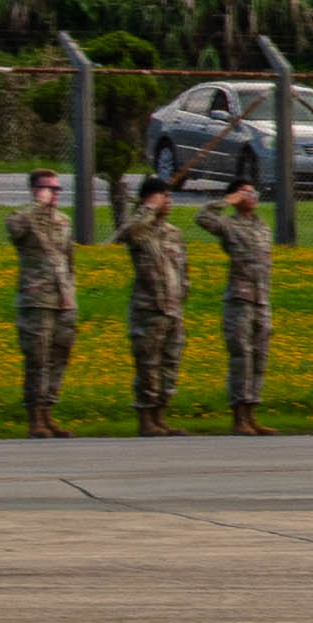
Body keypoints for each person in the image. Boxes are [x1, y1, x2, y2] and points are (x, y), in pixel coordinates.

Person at [4, 174, 77, 436]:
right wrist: (39, 206)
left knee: (59, 358)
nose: (56, 193)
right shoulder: (21, 218)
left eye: (58, 188)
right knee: (37, 359)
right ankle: (34, 418)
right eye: (50, 188)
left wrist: (71, 295)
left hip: (63, 300)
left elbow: (69, 260)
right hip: (37, 301)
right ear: (36, 190)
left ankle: (48, 413)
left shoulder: (63, 221)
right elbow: (15, 232)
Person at [196, 182, 269, 430]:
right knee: (242, 358)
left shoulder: (262, 227)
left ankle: (252, 414)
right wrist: (227, 201)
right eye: (246, 192)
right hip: (240, 299)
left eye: (253, 191)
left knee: (259, 359)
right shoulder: (229, 225)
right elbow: (203, 217)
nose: (252, 196)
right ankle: (239, 417)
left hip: (261, 300)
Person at [119, 183, 187, 436]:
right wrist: (147, 207)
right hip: (148, 309)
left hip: (173, 309)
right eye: (163, 196)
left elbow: (183, 268)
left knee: (169, 365)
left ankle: (160, 416)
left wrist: (181, 298)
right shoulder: (141, 230)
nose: (168, 201)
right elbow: (127, 232)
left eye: (169, 196)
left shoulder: (173, 233)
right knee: (148, 365)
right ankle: (146, 419)